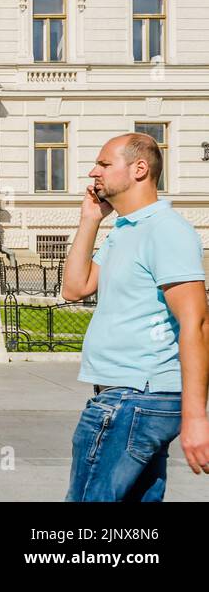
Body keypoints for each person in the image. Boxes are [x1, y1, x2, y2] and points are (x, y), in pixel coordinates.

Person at [63, 133, 209, 501]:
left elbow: (197, 323)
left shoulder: (165, 230)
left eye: (104, 164)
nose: (93, 171)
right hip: (126, 397)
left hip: (136, 398)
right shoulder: (126, 229)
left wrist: (195, 418)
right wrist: (90, 219)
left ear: (139, 169)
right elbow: (75, 288)